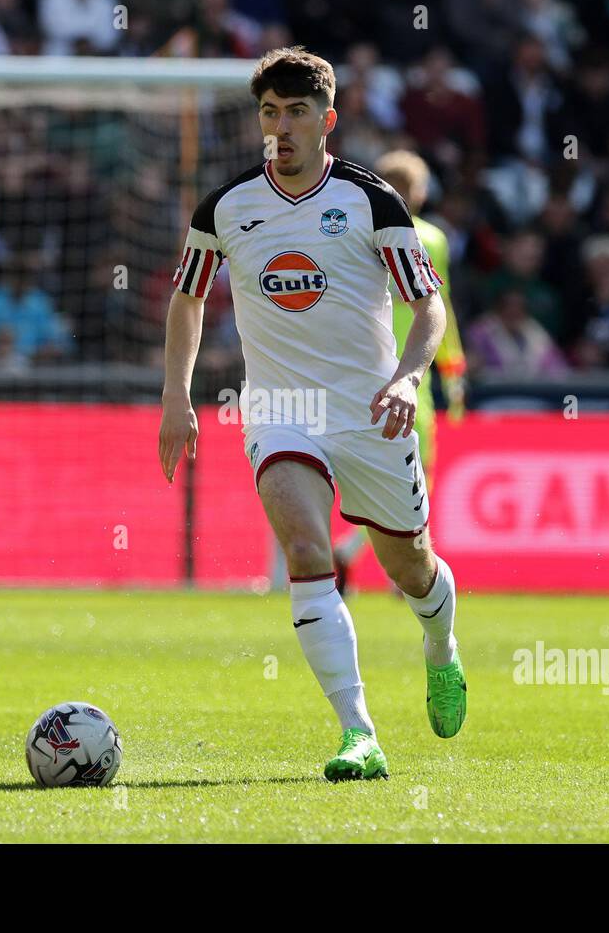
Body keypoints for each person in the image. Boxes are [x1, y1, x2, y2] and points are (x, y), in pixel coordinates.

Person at [158, 47, 465, 781]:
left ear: (326, 121)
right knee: (305, 550)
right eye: (270, 113)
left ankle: (441, 648)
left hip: (370, 414)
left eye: (296, 112)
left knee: (411, 568)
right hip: (281, 411)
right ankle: (358, 732)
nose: (281, 127)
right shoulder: (226, 207)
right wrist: (177, 394)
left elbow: (429, 305)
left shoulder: (371, 202)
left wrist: (406, 377)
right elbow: (188, 298)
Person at [331, 148, 466, 594]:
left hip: (364, 365)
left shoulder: (356, 230)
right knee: (414, 470)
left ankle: (384, 561)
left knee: (382, 471)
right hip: (413, 369)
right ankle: (401, 565)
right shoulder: (429, 237)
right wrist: (452, 365)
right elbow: (439, 308)